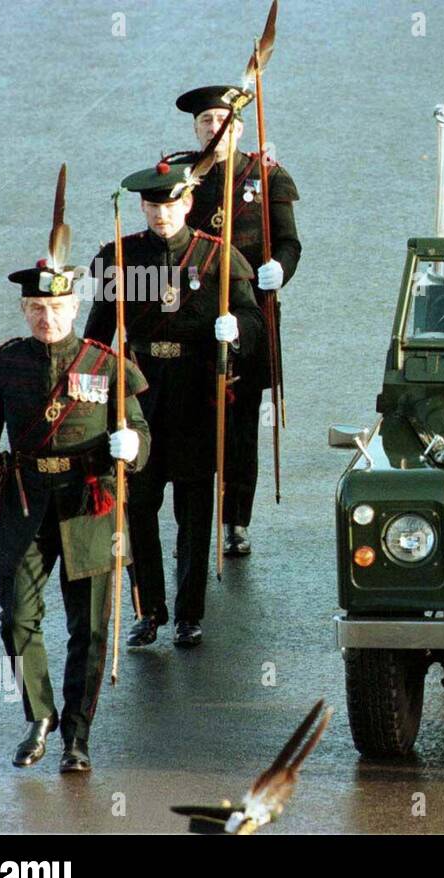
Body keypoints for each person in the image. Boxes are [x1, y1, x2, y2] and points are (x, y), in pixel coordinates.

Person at [0, 235, 150, 773]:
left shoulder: (106, 364)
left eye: (57, 308)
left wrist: (131, 448)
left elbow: (139, 429)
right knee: (17, 618)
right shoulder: (6, 366)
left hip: (90, 506)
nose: (48, 317)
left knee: (88, 630)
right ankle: (39, 714)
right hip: (25, 505)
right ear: (25, 310)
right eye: (37, 309)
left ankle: (77, 737)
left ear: (75, 308)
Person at [84, 154, 262, 649]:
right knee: (139, 506)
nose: (161, 215)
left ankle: (188, 613)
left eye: (170, 205)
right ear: (142, 209)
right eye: (151, 207)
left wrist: (236, 331)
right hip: (139, 391)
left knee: (193, 508)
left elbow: (253, 321)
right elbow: (98, 336)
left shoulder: (217, 257)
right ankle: (148, 611)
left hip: (195, 394)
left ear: (187, 204)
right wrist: (91, 392)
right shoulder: (118, 258)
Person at [178, 85, 302, 557]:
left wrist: (279, 272)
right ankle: (193, 521)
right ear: (196, 129)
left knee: (241, 421)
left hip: (248, 310)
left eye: (223, 120)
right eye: (206, 121)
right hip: (191, 313)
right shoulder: (182, 175)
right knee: (190, 419)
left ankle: (235, 521)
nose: (215, 128)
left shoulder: (265, 176)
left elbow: (289, 243)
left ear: (240, 126)